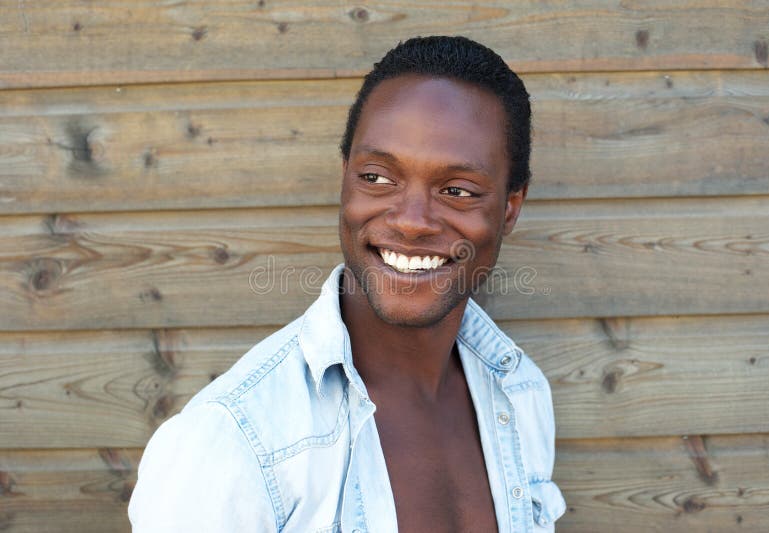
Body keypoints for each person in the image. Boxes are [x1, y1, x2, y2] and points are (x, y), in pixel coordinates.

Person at [129, 35, 566, 532]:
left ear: (510, 207)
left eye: (457, 190)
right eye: (377, 177)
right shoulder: (233, 442)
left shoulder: (520, 392)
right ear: (345, 180)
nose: (412, 222)